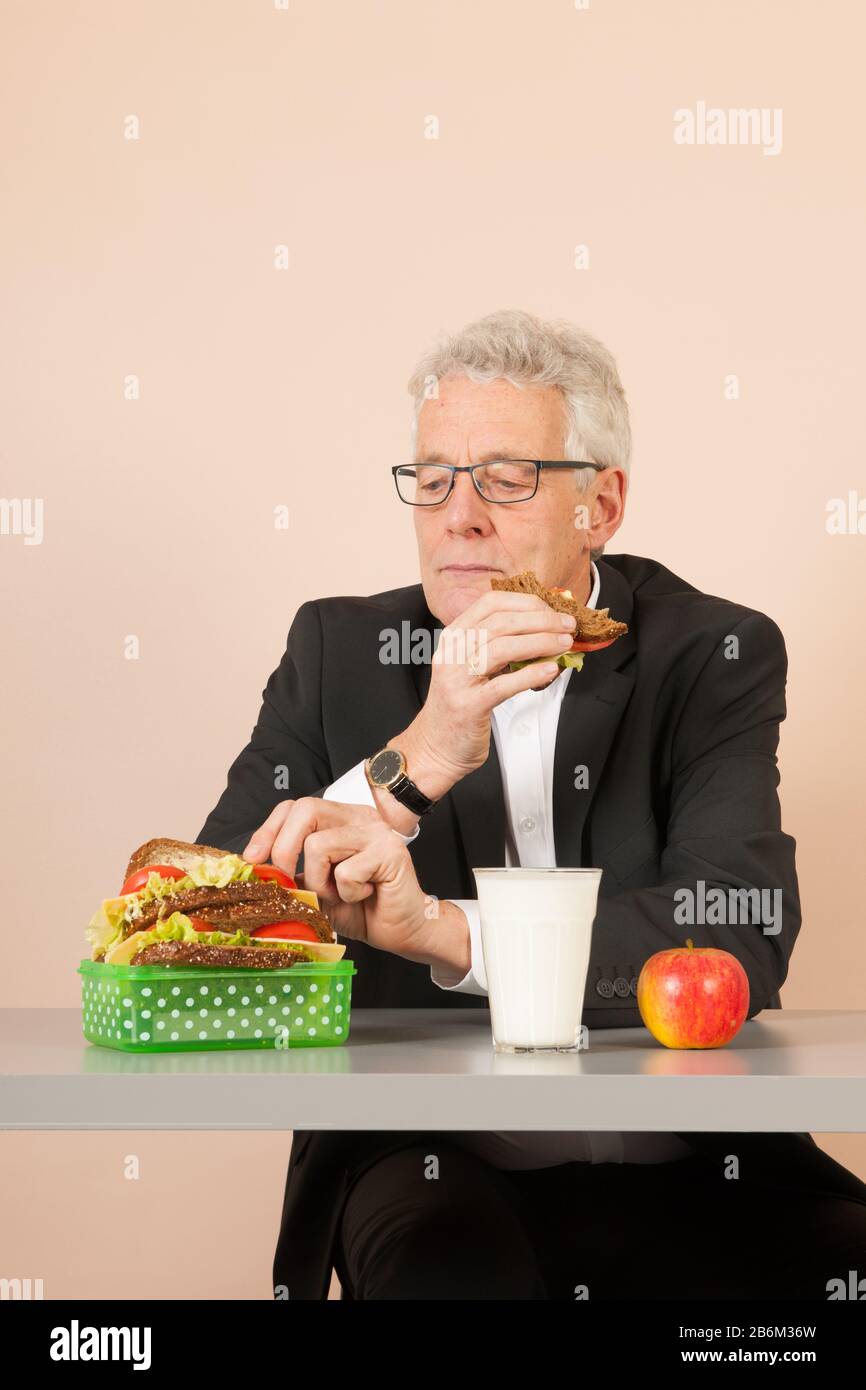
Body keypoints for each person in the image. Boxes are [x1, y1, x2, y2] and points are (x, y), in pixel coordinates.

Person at [197, 309, 866, 1299]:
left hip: (696, 1161)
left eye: (505, 478)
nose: (457, 514)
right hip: (435, 1170)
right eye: (432, 478)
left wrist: (439, 931)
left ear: (601, 503)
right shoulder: (335, 652)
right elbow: (212, 927)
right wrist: (417, 759)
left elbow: (738, 924)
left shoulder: (710, 652)